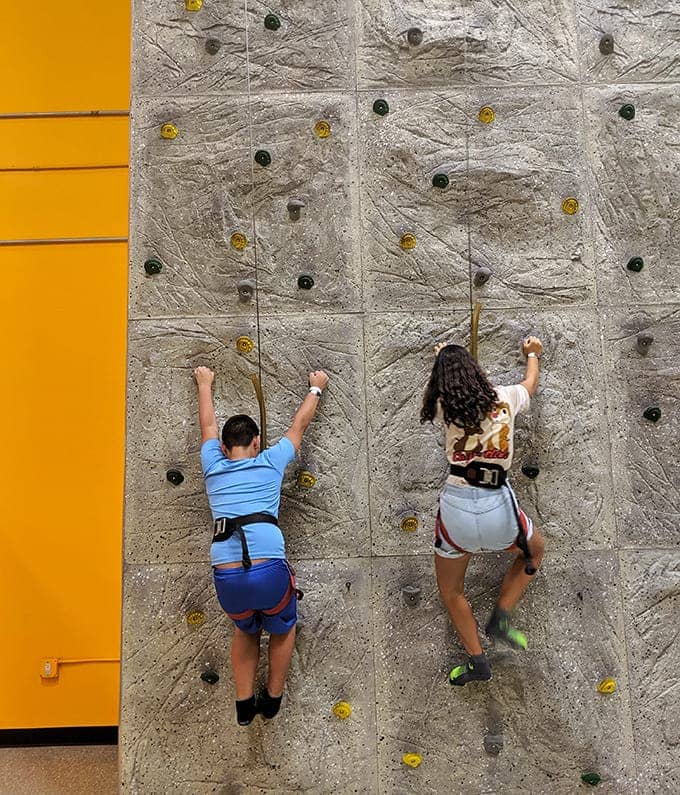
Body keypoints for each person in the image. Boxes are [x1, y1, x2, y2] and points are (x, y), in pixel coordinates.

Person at [194, 365, 329, 725]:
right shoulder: (271, 462)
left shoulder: (212, 465)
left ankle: (243, 703)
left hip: (227, 573)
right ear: (256, 443)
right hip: (269, 568)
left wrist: (204, 383)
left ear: (223, 448)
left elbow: (207, 425)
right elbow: (298, 426)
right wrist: (315, 387)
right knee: (283, 628)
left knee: (244, 630)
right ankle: (272, 697)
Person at [420, 337, 546, 686]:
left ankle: (478, 662)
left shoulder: (444, 407)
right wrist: (531, 353)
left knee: (452, 592)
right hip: (499, 512)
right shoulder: (506, 398)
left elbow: (438, 389)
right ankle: (502, 616)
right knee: (534, 552)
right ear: (478, 372)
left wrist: (440, 359)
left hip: (456, 512)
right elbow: (531, 384)